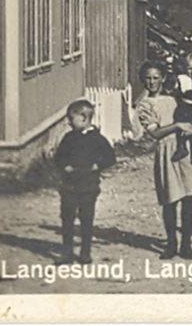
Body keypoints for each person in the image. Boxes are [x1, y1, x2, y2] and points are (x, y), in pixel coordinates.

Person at [136, 61, 192, 260]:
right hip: (167, 151)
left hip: (186, 148)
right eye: (148, 78)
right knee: (170, 199)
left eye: (156, 77)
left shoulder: (176, 98)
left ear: (163, 78)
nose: (152, 82)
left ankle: (186, 243)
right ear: (143, 80)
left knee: (189, 197)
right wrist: (177, 125)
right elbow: (156, 133)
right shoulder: (145, 105)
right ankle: (171, 243)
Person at [53, 99, 117, 264]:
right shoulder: (68, 138)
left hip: (88, 184)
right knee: (67, 218)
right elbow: (58, 157)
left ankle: (85, 252)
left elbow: (111, 158)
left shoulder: (97, 139)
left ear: (83, 118)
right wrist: (64, 166)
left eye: (71, 118)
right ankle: (67, 252)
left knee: (86, 218)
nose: (68, 122)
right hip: (69, 184)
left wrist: (98, 165)